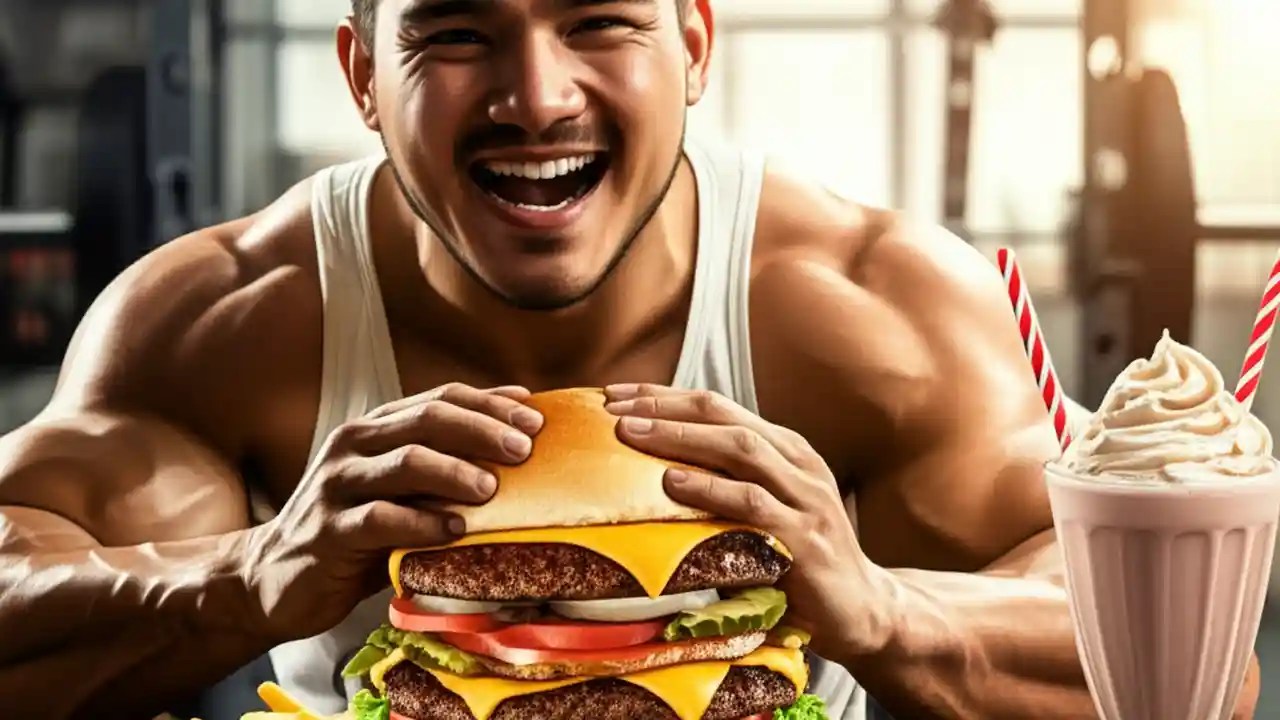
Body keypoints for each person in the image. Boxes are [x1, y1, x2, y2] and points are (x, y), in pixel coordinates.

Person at [0, 0, 1260, 718]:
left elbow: (1183, 666)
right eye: (455, 34)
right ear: (363, 76)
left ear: (694, 46)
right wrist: (247, 574)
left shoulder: (871, 311)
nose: (536, 97)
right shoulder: (230, 319)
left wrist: (884, 609)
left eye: (598, 19)